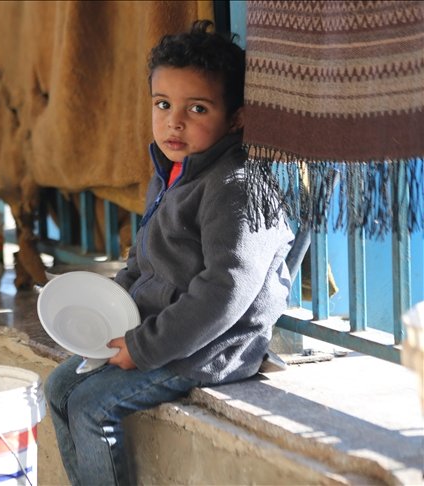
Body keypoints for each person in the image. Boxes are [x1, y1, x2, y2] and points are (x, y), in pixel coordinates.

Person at [44, 20, 294, 484]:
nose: (174, 122)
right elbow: (144, 258)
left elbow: (226, 290)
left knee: (89, 406)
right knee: (58, 386)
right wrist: (110, 310)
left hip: (211, 347)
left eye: (197, 108)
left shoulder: (236, 186)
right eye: (163, 104)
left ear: (236, 117)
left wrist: (142, 347)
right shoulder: (174, 169)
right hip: (157, 330)